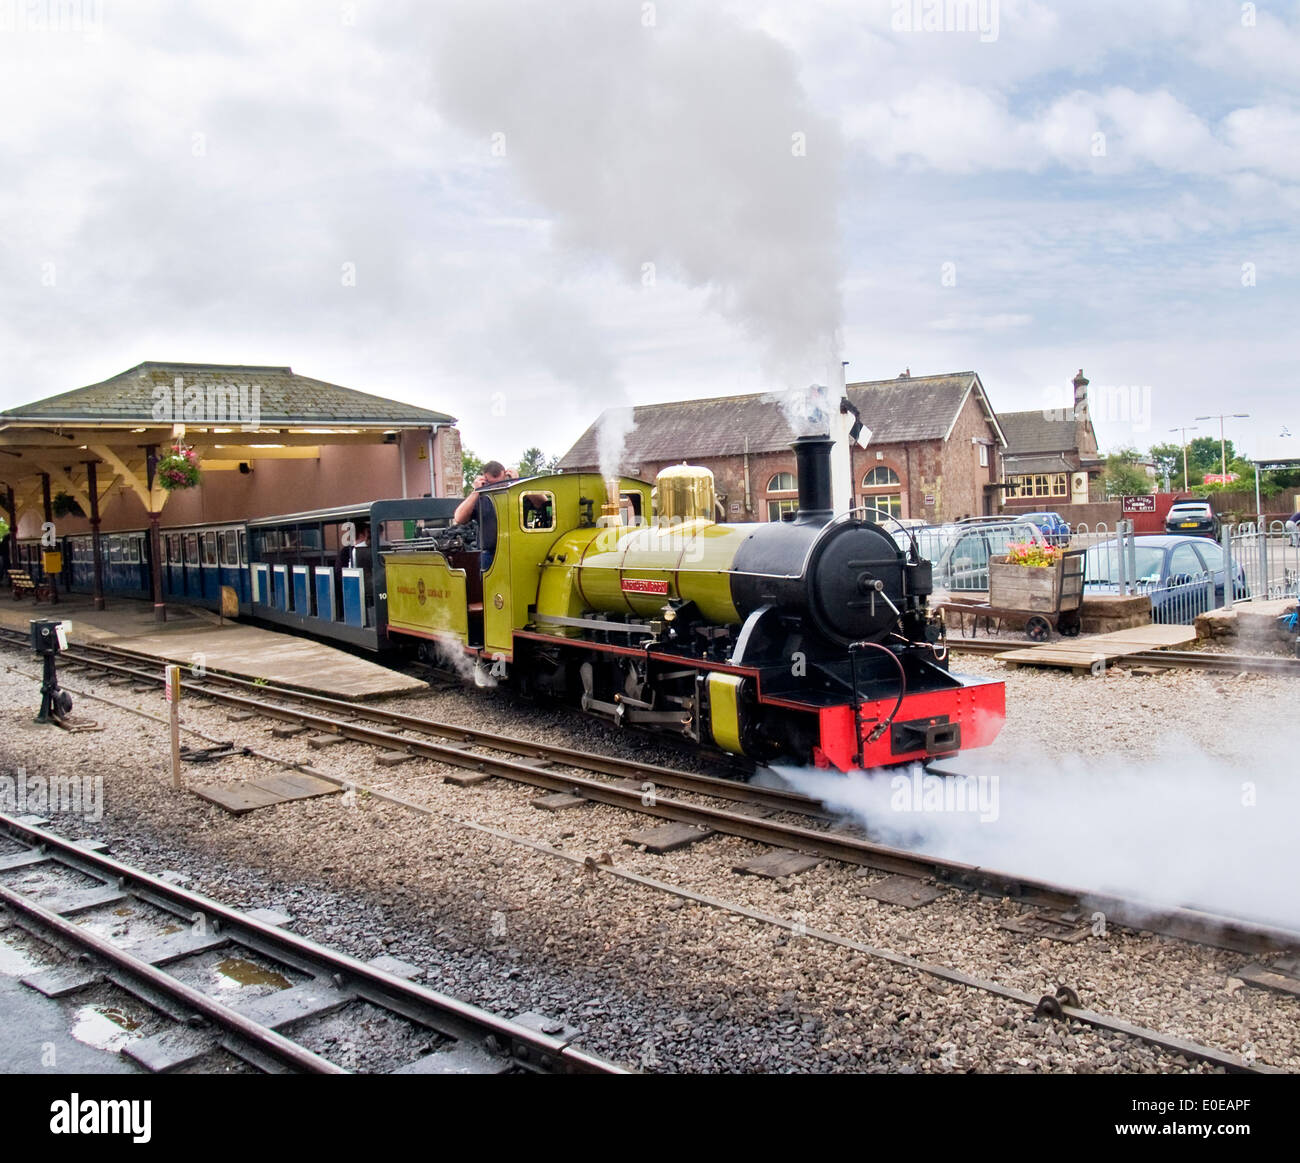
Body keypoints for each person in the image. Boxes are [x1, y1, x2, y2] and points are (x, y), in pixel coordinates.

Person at [454, 461, 517, 568]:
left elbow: (542, 502)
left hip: (515, 551)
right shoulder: (480, 498)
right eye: (491, 484)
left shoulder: (516, 495)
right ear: (484, 479)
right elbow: (459, 518)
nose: (495, 488)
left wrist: (517, 482)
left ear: (506, 477)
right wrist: (476, 491)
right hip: (489, 554)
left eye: (499, 483)